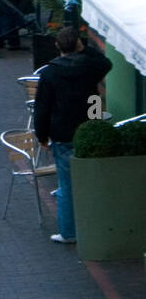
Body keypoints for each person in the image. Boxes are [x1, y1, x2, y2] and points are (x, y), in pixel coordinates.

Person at [35, 26, 111, 244]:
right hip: (88, 129)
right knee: (92, 182)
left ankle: (68, 232)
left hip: (62, 134)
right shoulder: (90, 66)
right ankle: (97, 226)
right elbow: (107, 63)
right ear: (78, 44)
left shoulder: (50, 73)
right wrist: (85, 48)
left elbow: (43, 108)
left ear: (57, 46)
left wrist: (42, 136)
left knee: (67, 187)